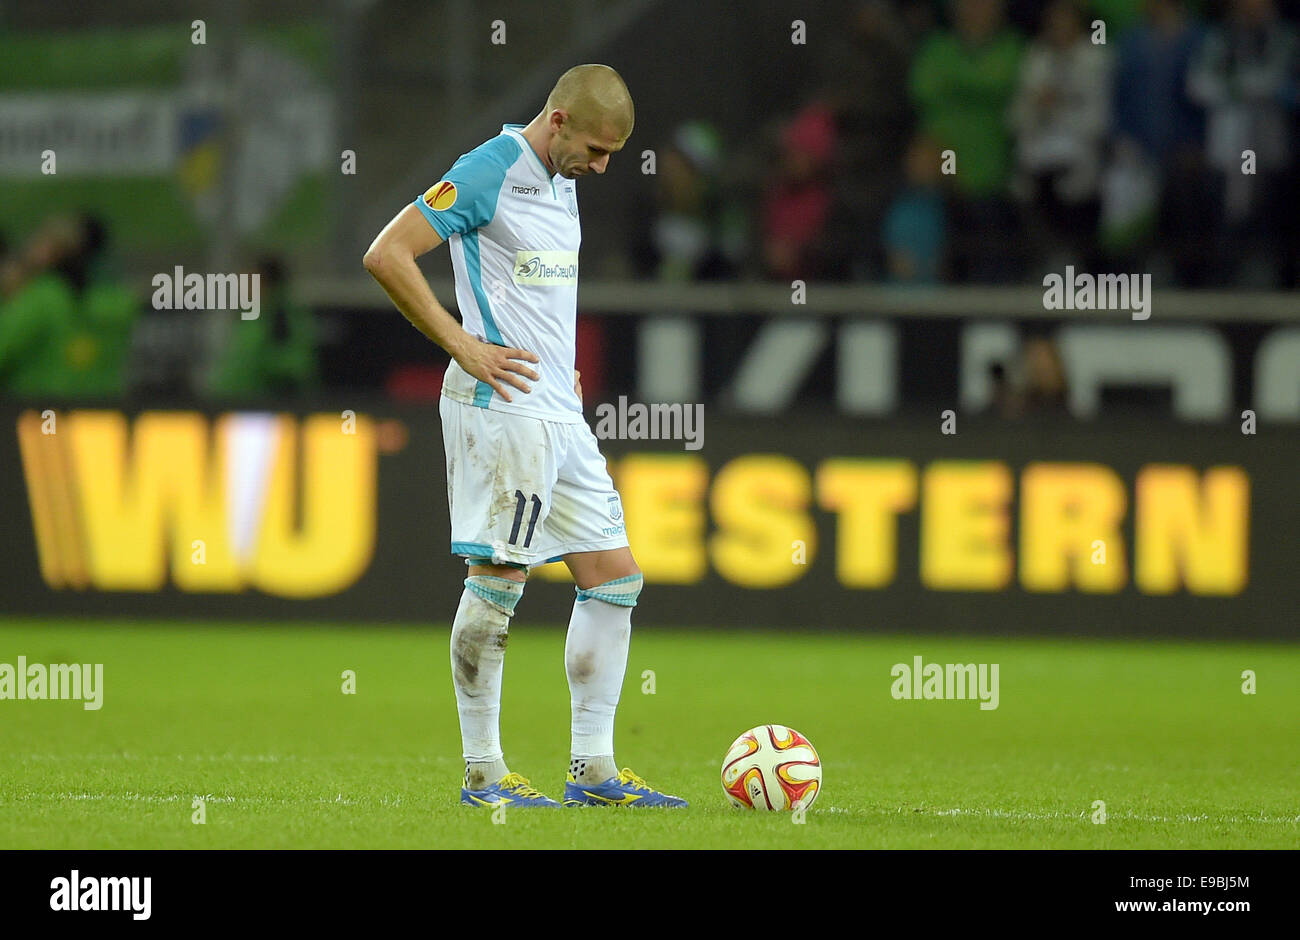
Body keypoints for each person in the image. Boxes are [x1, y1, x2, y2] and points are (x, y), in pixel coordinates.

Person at [363, 64, 685, 809]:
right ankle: (484, 774)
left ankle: (594, 772)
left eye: (613, 155)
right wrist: (461, 344)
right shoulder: (490, 167)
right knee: (500, 580)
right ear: (560, 119)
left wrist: (567, 370)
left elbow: (533, 287)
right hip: (500, 404)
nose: (603, 167)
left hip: (556, 412)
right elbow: (387, 253)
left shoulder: (563, 176)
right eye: (599, 150)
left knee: (615, 579)